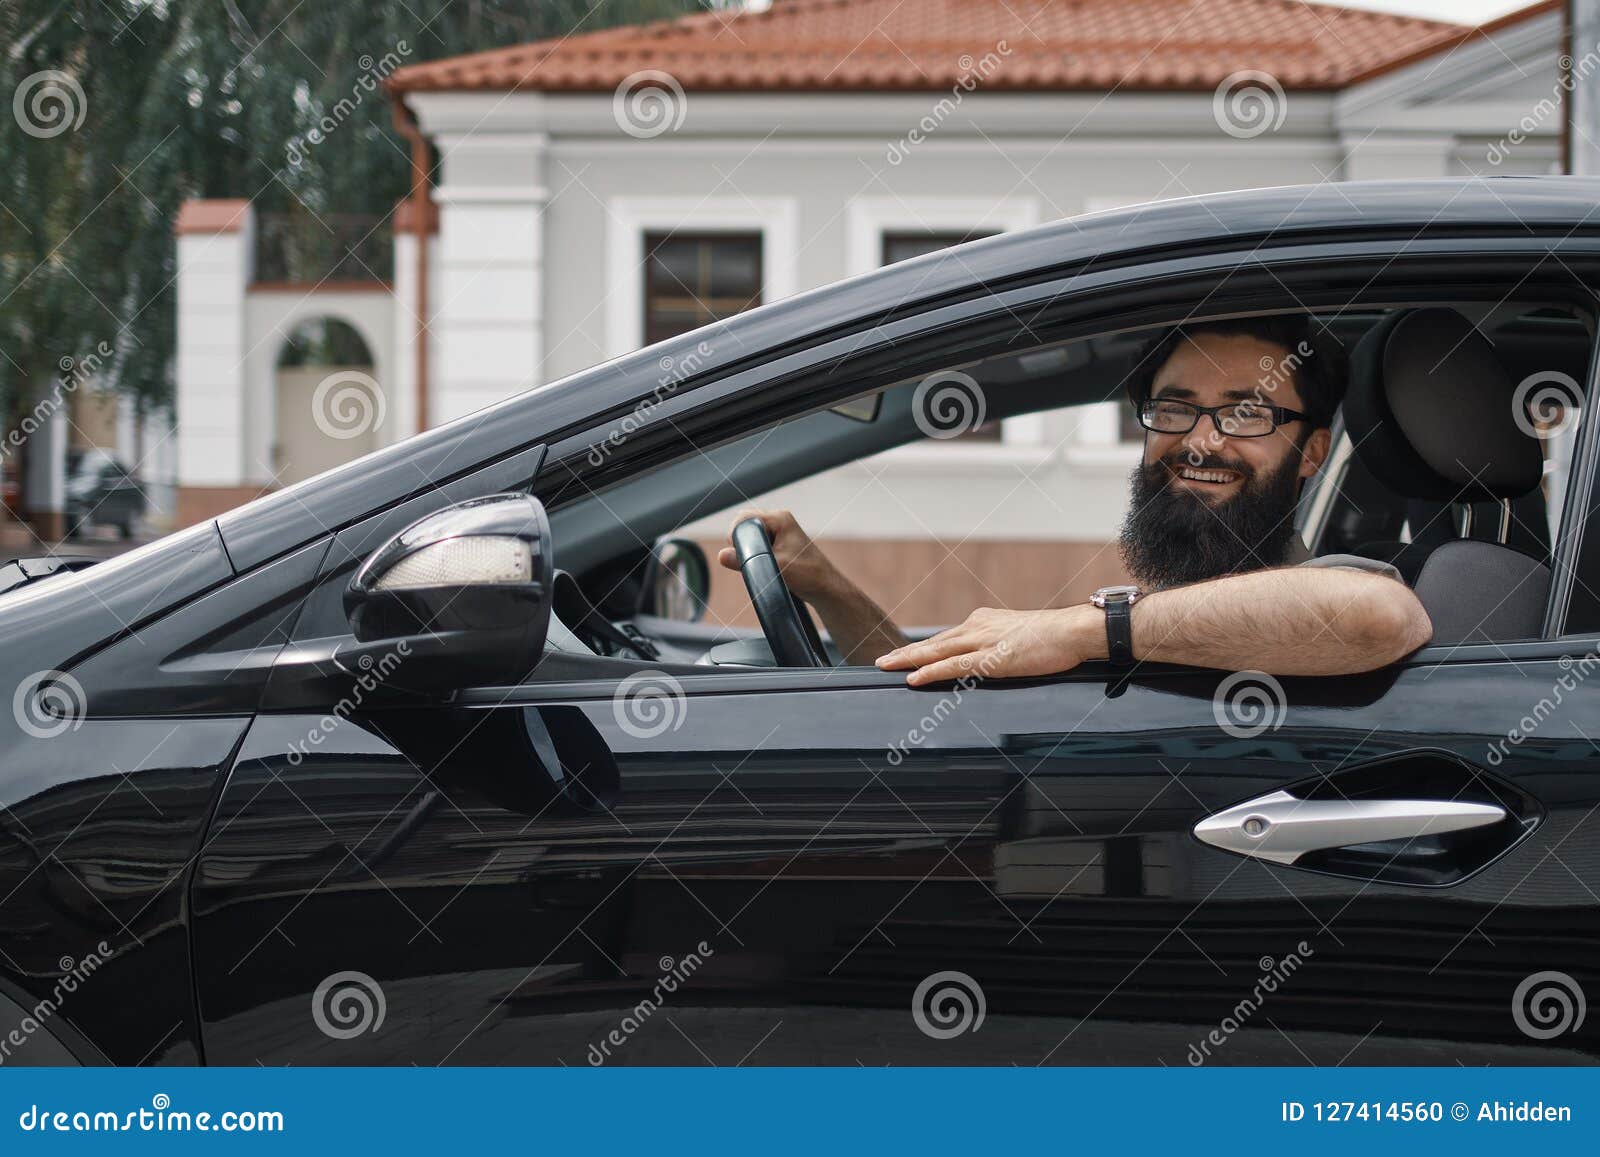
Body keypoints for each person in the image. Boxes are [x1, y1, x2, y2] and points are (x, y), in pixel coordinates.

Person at [719, 316, 1432, 685]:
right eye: (1175, 409)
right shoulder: (1169, 614)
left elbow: (1379, 615)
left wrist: (1085, 630)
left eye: (1246, 414)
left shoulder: (1319, 595)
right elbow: (947, 696)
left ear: (1311, 451)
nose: (1202, 442)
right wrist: (827, 586)